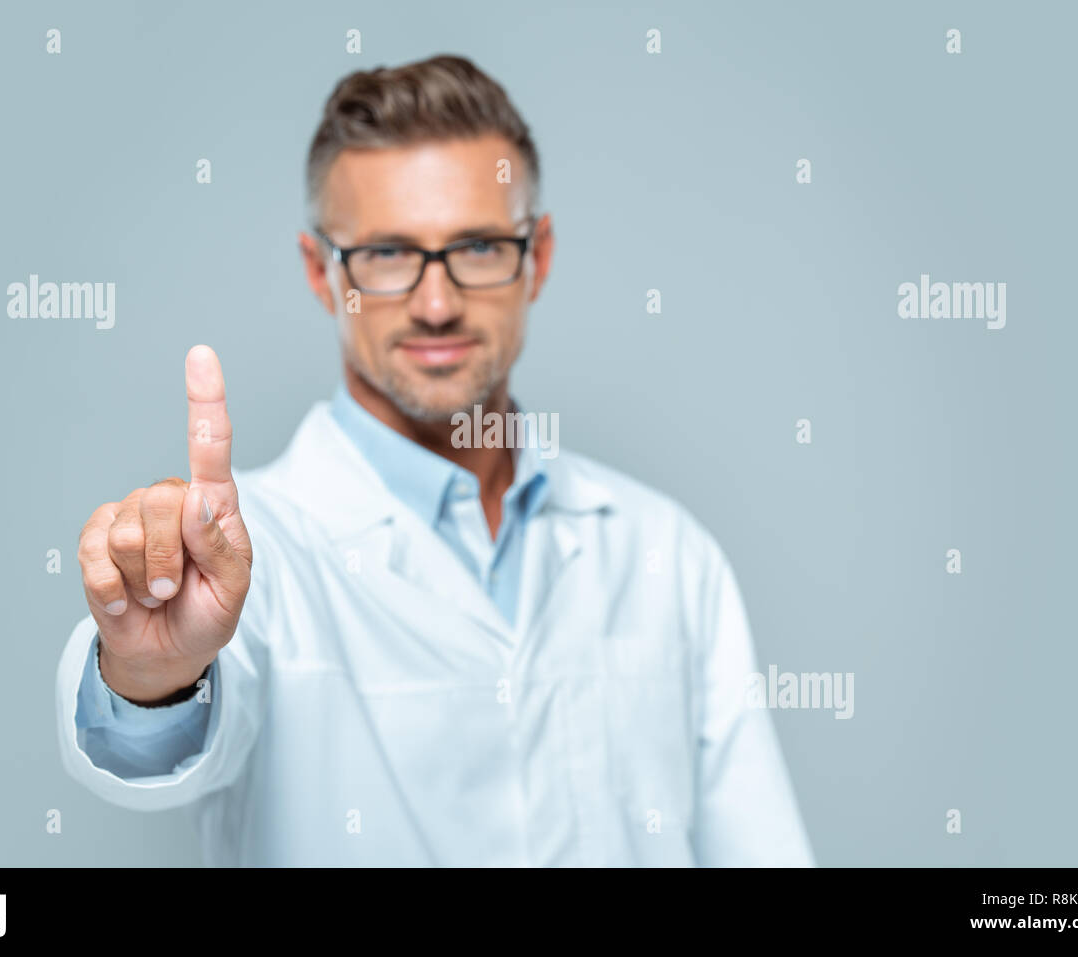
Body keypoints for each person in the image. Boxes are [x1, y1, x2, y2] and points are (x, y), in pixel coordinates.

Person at [56, 53, 814, 866]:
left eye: (479, 246)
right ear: (322, 273)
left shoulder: (666, 554)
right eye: (387, 254)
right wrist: (151, 675)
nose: (437, 302)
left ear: (538, 255)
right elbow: (147, 752)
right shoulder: (254, 559)